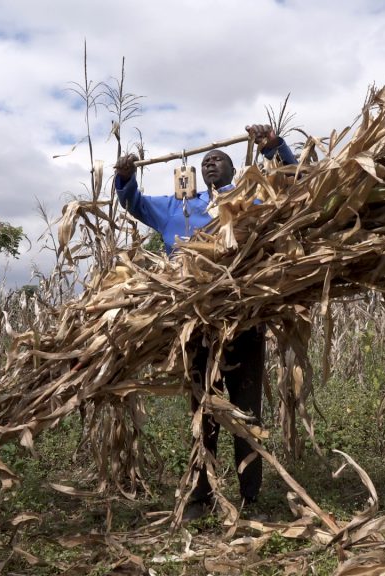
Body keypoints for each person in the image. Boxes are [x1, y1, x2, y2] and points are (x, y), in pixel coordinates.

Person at [113, 124, 297, 521]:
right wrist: (125, 177)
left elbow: (290, 184)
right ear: (194, 175)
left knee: (246, 415)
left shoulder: (250, 199)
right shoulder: (177, 208)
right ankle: (200, 495)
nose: (211, 163)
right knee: (204, 412)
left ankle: (250, 500)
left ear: (236, 171)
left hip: (243, 322)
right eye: (205, 161)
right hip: (195, 328)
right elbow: (134, 203)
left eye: (219, 160)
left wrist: (272, 147)